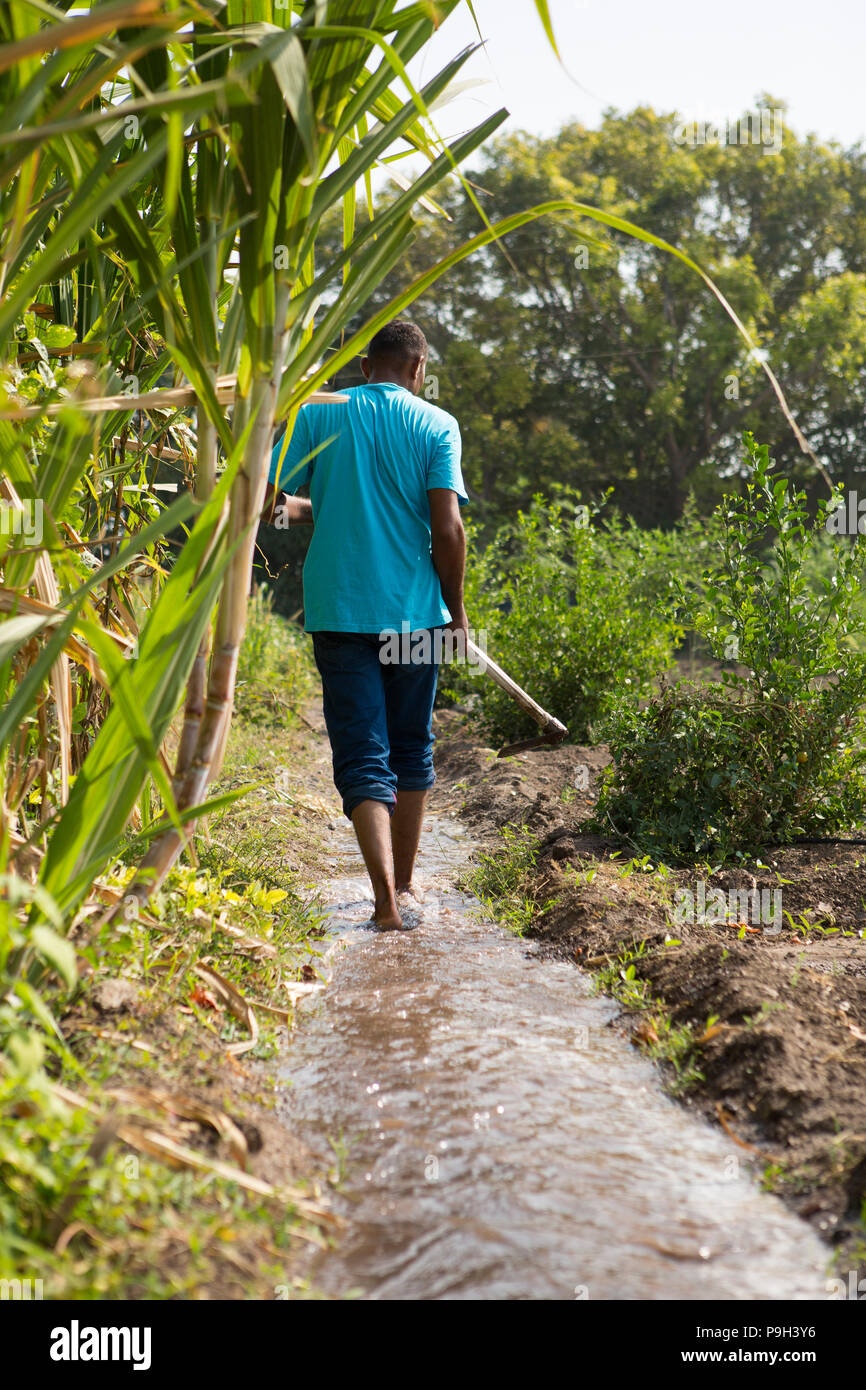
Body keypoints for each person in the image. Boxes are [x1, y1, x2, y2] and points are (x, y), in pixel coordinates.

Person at [265, 320, 468, 930]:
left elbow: (272, 502)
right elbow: (448, 529)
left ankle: (380, 900)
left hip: (339, 610)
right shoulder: (437, 425)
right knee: (410, 748)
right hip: (413, 615)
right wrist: (456, 611)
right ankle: (405, 890)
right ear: (418, 369)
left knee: (363, 752)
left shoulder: (316, 413)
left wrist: (317, 508)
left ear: (363, 367)